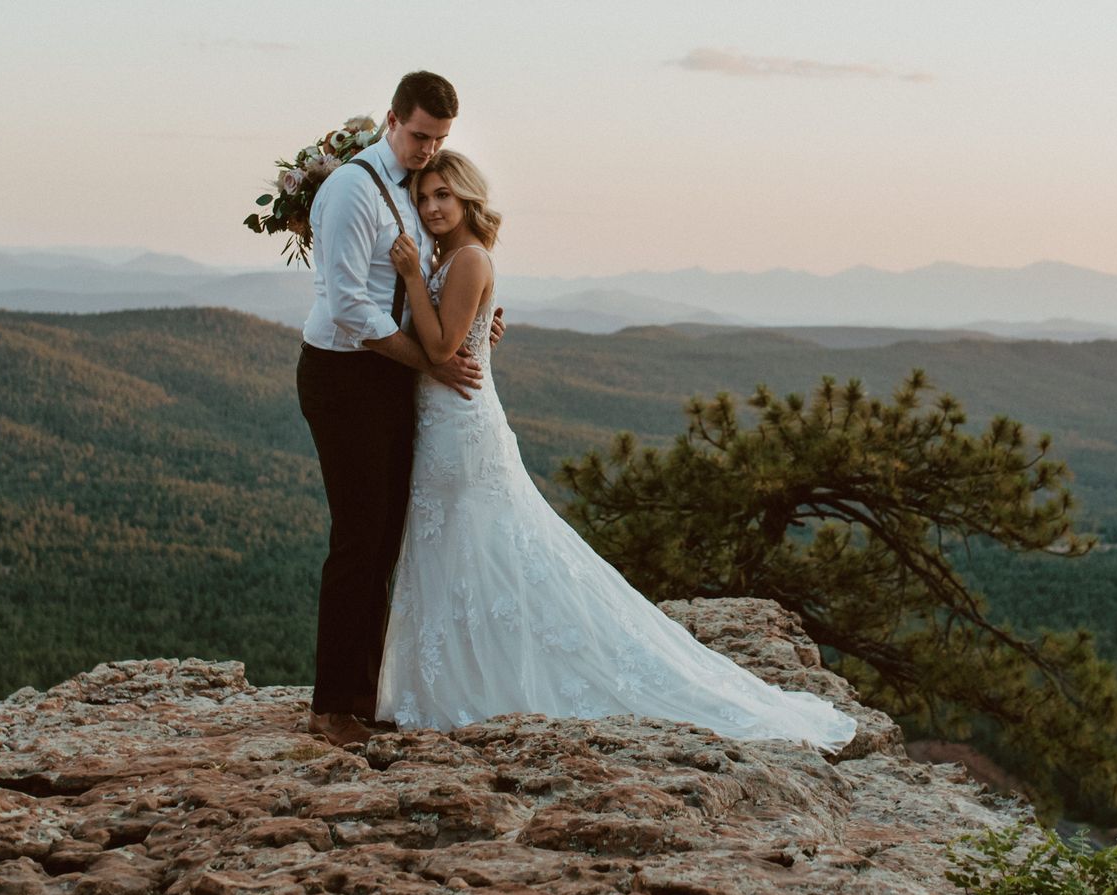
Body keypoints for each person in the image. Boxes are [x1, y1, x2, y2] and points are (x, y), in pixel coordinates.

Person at [373, 150, 855, 752]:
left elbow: (443, 349)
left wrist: (415, 278)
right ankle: (455, 678)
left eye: (443, 195)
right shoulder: (455, 259)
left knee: (478, 547)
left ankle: (480, 682)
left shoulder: (466, 259)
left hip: (459, 427)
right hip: (443, 421)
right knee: (460, 549)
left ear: (469, 197)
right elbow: (457, 334)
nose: (432, 207)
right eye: (423, 198)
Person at [296, 70, 501, 747]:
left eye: (439, 139)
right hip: (345, 374)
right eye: (419, 136)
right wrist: (434, 361)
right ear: (392, 119)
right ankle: (330, 706)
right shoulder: (354, 188)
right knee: (359, 536)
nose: (426, 150)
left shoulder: (410, 189)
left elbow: (434, 276)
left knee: (386, 536)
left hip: (388, 376)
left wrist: (472, 329)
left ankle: (364, 688)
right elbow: (349, 306)